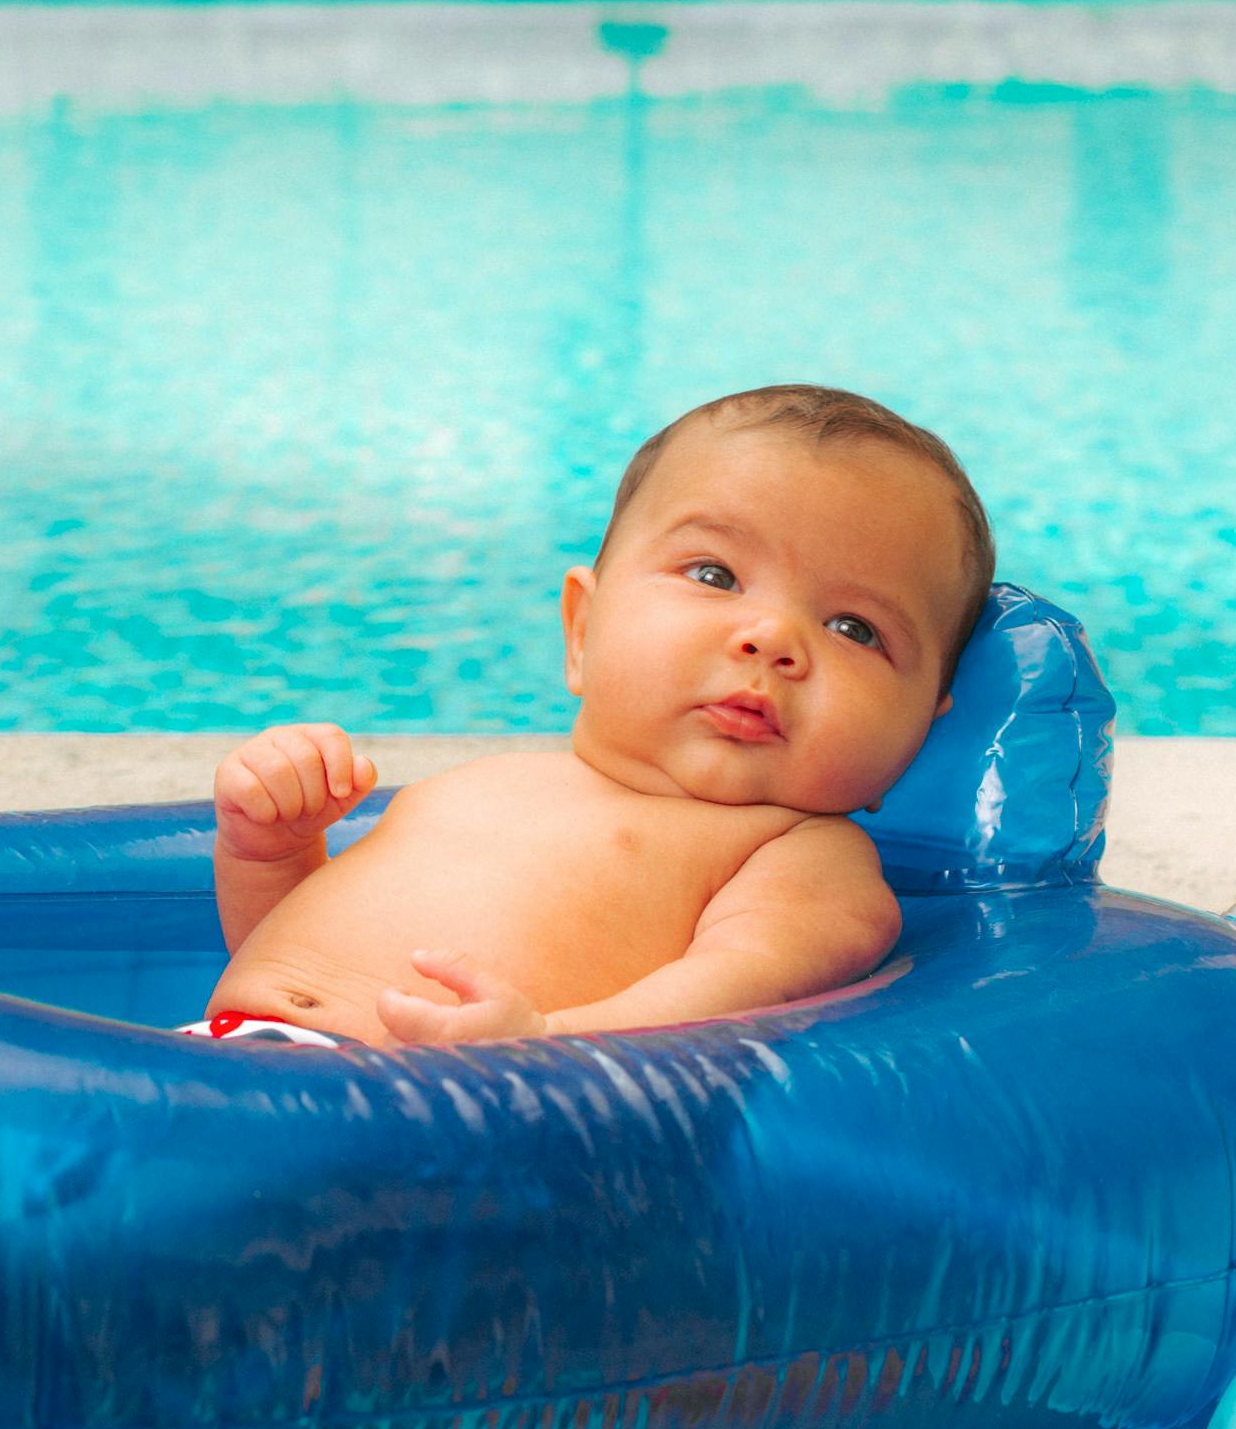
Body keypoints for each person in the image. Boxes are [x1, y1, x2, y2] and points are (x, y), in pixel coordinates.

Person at [197, 384, 992, 1046]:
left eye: (855, 628)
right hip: (221, 1049)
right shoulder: (480, 783)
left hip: (434, 1106)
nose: (773, 638)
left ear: (922, 731)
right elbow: (284, 955)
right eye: (714, 575)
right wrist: (271, 852)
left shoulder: (800, 857)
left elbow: (737, 990)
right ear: (582, 631)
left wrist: (547, 1040)